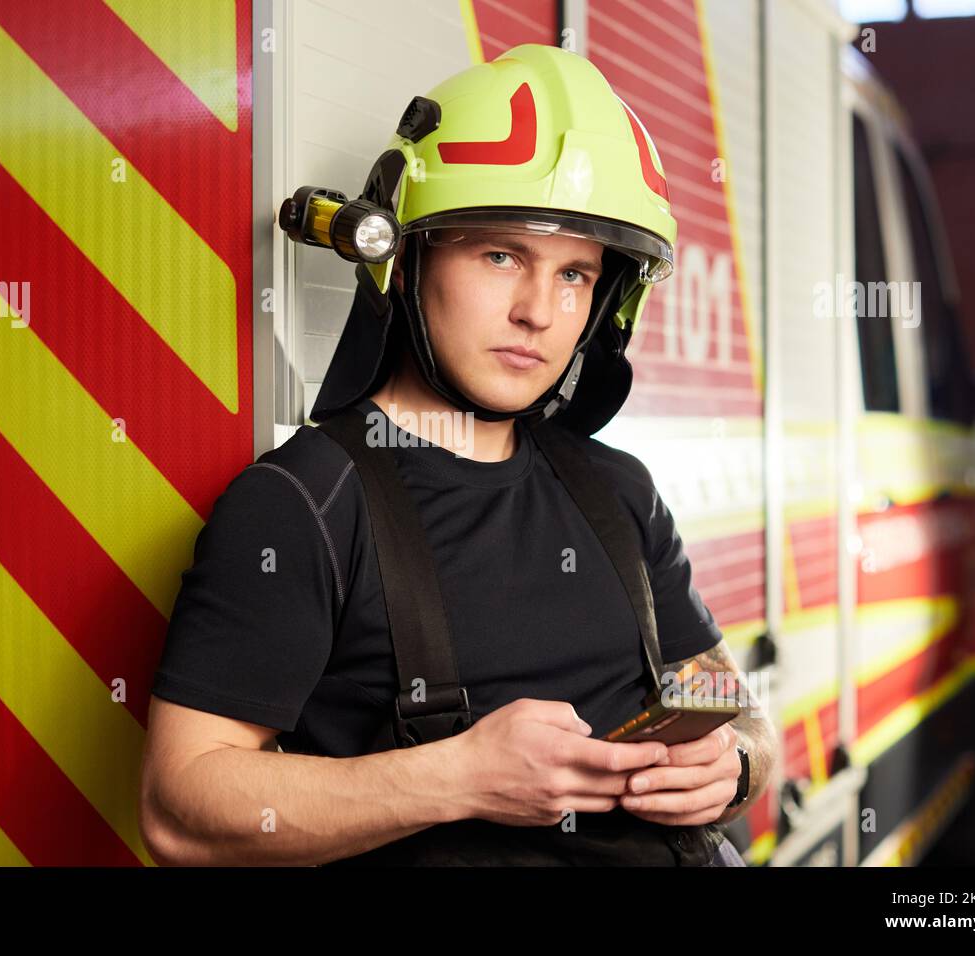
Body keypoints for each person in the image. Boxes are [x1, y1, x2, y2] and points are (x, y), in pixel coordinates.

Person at [138, 43, 777, 867]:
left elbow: (725, 699)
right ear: (407, 261)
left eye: (576, 275)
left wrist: (737, 764)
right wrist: (458, 778)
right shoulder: (302, 506)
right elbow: (177, 807)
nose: (538, 312)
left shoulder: (619, 490)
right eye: (501, 255)